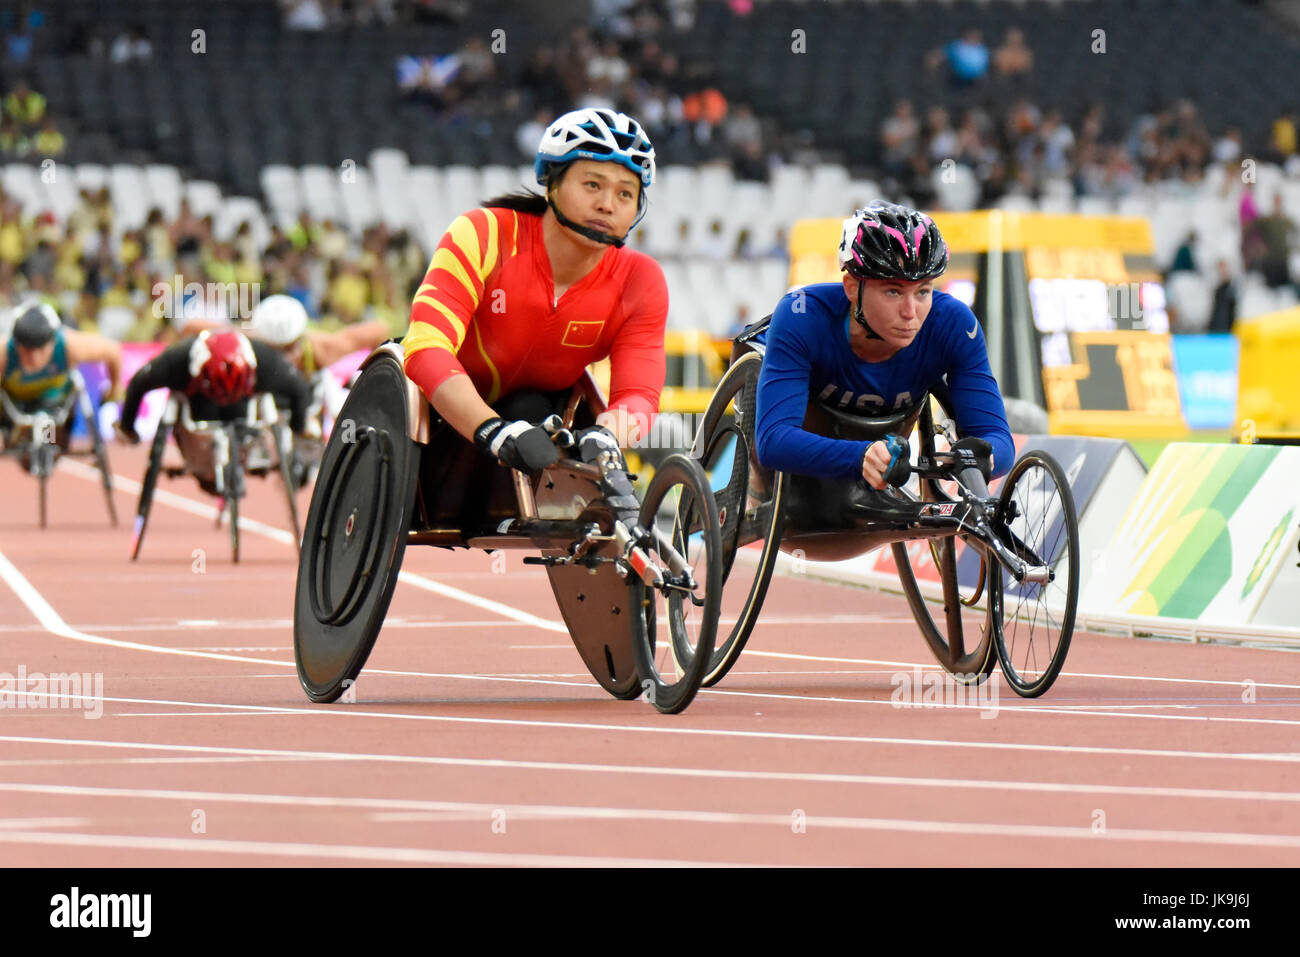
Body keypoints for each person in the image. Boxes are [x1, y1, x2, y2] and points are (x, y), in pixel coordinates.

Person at [401, 107, 667, 475]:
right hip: (439, 413)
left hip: (537, 421)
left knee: (533, 417)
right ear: (552, 183)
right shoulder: (483, 233)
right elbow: (424, 347)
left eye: (625, 193)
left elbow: (639, 395)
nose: (608, 204)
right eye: (593, 184)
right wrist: (491, 431)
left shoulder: (641, 280)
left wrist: (609, 435)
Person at [752, 201, 1013, 498]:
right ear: (852, 287)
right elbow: (773, 441)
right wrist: (861, 455)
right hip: (793, 477)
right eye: (893, 291)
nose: (910, 312)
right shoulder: (801, 315)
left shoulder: (953, 324)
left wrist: (985, 456)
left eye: (923, 291)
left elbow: (998, 437)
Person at [114, 328, 312, 447]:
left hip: (242, 403)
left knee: (253, 414)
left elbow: (300, 389)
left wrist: (299, 428)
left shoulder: (265, 361)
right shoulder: (177, 361)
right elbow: (137, 384)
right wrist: (128, 428)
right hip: (199, 401)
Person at [0, 301, 123, 436]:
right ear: (17, 345)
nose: (35, 358)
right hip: (16, 401)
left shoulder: (69, 345)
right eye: (27, 351)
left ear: (52, 341)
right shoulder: (4, 352)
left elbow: (113, 351)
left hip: (56, 399)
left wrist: (114, 389)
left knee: (54, 439)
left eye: (41, 349)